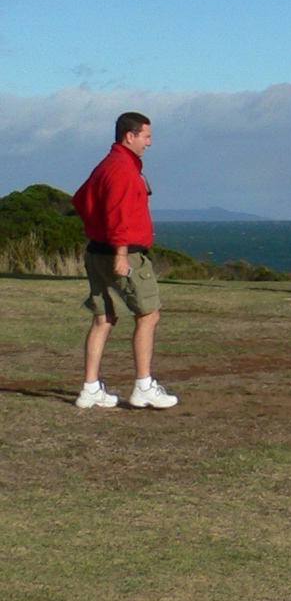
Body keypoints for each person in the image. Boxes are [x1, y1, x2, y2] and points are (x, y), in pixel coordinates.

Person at [72, 112, 179, 411]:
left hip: (97, 252)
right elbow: (118, 214)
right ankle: (144, 386)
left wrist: (98, 232)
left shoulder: (107, 165)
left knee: (103, 317)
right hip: (123, 254)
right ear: (128, 136)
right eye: (146, 135)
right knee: (148, 314)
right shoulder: (122, 169)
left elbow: (81, 200)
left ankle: (90, 388)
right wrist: (120, 252)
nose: (149, 142)